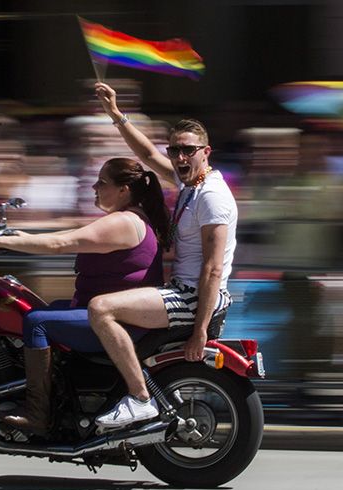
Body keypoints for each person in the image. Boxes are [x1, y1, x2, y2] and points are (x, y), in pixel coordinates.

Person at [0, 157, 170, 436]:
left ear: (124, 189)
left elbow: (62, 243)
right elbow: (72, 234)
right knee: (49, 307)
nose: (94, 187)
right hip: (118, 317)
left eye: (102, 183)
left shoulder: (124, 222)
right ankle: (61, 394)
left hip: (118, 324)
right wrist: (19, 236)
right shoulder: (131, 218)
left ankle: (37, 415)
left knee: (36, 321)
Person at [89, 81, 238, 429]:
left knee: (100, 308)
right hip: (186, 291)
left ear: (206, 152)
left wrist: (199, 331)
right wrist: (114, 113)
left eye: (188, 150)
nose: (179, 157)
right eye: (174, 151)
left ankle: (140, 399)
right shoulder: (191, 184)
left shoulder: (211, 196)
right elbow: (147, 156)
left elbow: (214, 268)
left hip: (194, 297)